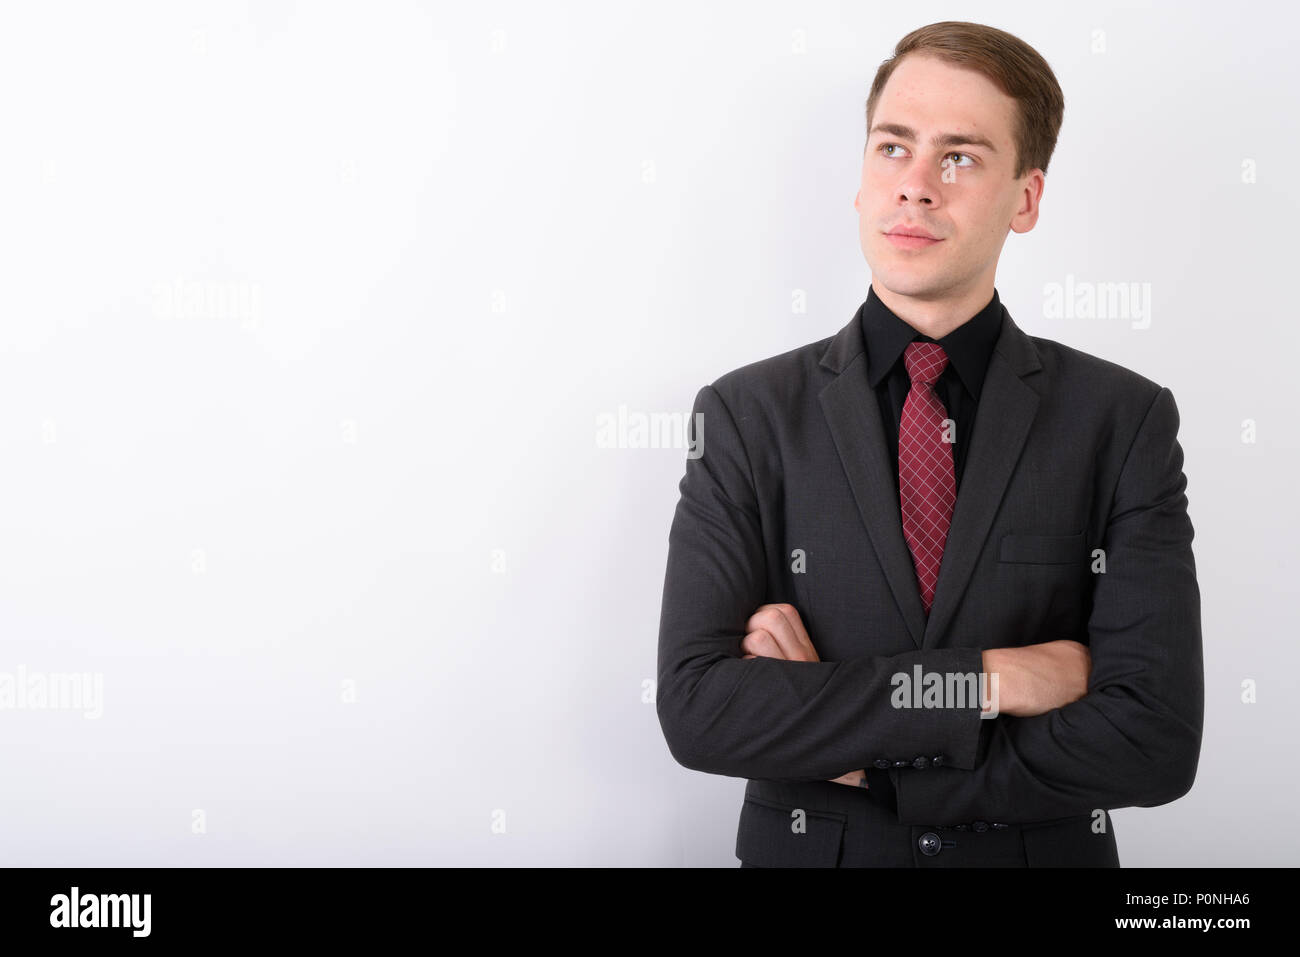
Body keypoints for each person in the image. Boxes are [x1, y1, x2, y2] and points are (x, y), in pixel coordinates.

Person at [655, 20, 1203, 867]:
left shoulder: (1121, 420)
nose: (915, 187)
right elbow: (699, 710)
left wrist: (872, 763)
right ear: (862, 177)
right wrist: (991, 679)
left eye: (960, 157)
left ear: (1025, 198)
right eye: (892, 148)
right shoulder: (744, 415)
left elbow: (1153, 739)